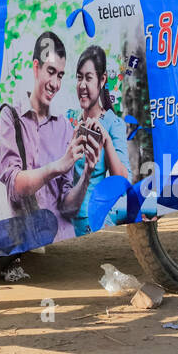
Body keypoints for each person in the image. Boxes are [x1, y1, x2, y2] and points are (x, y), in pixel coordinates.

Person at [0, 32, 94, 242]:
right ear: (35, 67)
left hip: (63, 242)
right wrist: (59, 166)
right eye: (51, 72)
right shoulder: (11, 116)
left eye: (60, 75)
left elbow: (68, 208)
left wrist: (87, 174)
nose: (55, 83)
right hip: (26, 243)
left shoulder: (65, 128)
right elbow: (14, 187)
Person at [70, 45, 132, 236]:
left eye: (88, 78)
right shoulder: (68, 119)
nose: (82, 85)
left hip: (94, 219)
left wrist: (106, 140)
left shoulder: (113, 124)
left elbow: (122, 181)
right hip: (64, 218)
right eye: (79, 77)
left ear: (102, 79)